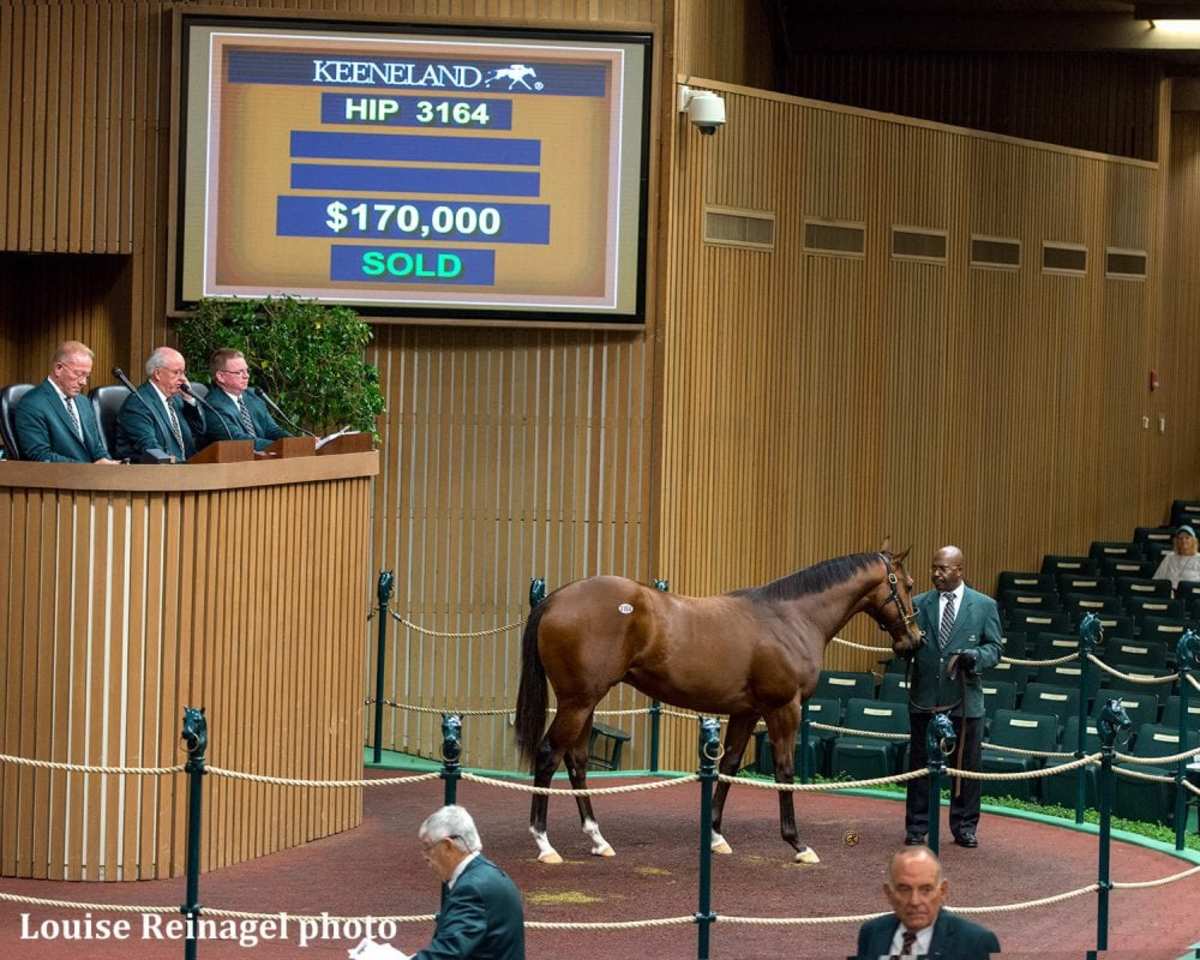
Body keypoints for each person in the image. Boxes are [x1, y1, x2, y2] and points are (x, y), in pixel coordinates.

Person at [904, 545, 1002, 848]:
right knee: (919, 765)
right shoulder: (918, 604)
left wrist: (976, 656)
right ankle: (917, 826)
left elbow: (995, 649)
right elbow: (907, 642)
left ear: (959, 570)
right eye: (934, 568)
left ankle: (964, 827)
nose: (936, 574)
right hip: (925, 699)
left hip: (964, 701)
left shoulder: (984, 605)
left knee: (967, 768)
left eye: (943, 569)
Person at [413, 805, 524, 960]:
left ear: (447, 846)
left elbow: (449, 952)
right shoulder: (489, 874)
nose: (425, 856)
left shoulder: (471, 889)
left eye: (428, 847)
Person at [855, 846, 1000, 959]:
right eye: (905, 889)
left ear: (942, 891)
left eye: (926, 890)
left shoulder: (975, 942)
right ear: (889, 893)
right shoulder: (871, 933)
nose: (915, 901)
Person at [12, 341, 118, 463]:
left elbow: (96, 447)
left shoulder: (83, 402)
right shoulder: (32, 404)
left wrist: (108, 463)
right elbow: (41, 456)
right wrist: (88, 468)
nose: (83, 382)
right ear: (58, 368)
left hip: (90, 477)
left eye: (87, 376)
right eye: (79, 374)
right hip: (57, 479)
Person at [114, 346, 204, 462]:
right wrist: (182, 467)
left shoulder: (176, 399)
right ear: (157, 373)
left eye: (183, 373)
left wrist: (188, 399)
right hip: (154, 474)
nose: (183, 379)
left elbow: (199, 433)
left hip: (185, 471)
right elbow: (150, 448)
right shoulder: (138, 404)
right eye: (176, 372)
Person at [197, 348, 289, 452]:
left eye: (247, 371)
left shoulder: (253, 395)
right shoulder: (212, 406)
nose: (247, 376)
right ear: (221, 376)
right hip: (233, 463)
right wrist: (281, 446)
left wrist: (294, 443)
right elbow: (238, 440)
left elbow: (272, 429)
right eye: (239, 372)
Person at [1153, 525, 1200, 593]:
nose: (1183, 540)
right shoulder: (1170, 557)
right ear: (1176, 541)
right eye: (1180, 538)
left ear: (1193, 541)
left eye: (1187, 538)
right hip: (1169, 595)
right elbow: (1157, 579)